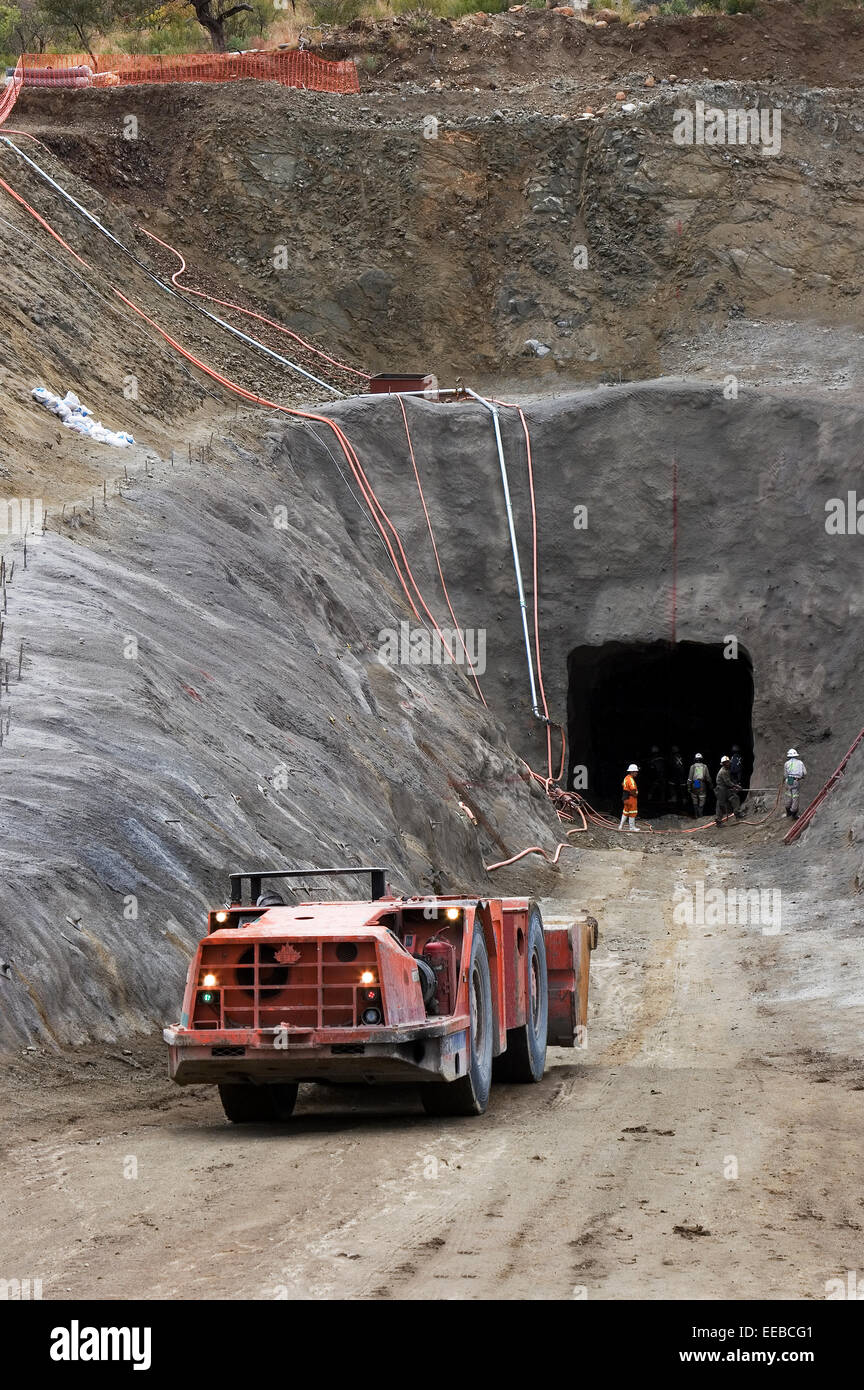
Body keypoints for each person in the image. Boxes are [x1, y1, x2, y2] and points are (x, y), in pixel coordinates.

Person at [714, 755, 743, 826]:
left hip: (726, 788)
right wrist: (736, 786)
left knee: (735, 798)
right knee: (721, 805)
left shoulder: (727, 770)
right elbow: (727, 782)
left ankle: (737, 813)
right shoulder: (723, 771)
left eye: (728, 762)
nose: (728, 763)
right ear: (723, 764)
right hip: (721, 789)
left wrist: (733, 786)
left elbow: (729, 781)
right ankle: (718, 821)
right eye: (726, 762)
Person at [687, 752, 712, 818]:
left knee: (694, 797)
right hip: (702, 783)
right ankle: (700, 814)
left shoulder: (692, 767)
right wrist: (710, 784)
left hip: (695, 782)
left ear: (695, 759)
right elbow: (708, 777)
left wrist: (689, 787)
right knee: (702, 797)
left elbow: (690, 778)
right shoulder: (704, 766)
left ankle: (696, 814)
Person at [783, 747, 807, 817]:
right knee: (795, 796)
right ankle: (794, 813)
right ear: (796, 755)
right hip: (796, 780)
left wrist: (785, 780)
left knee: (788, 794)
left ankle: (788, 811)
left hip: (789, 779)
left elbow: (785, 775)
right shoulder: (800, 763)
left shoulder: (786, 763)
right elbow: (805, 773)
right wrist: (802, 777)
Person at [619, 763, 639, 831]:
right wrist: (635, 794)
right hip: (631, 798)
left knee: (625, 812)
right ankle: (632, 828)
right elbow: (633, 789)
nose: (636, 773)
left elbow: (622, 784)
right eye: (635, 772)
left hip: (625, 798)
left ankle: (620, 826)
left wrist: (627, 790)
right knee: (632, 812)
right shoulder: (631, 780)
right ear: (632, 772)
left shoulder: (626, 778)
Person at [647, 746, 667, 811]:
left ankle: (649, 798)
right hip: (662, 774)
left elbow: (651, 766)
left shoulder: (653, 758)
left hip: (657, 774)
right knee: (662, 788)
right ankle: (662, 800)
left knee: (653, 786)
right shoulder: (661, 757)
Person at [669, 745, 687, 812]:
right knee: (682, 787)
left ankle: (674, 798)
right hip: (682, 774)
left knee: (671, 785)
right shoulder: (682, 756)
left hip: (675, 773)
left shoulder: (672, 756)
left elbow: (671, 765)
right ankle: (684, 799)